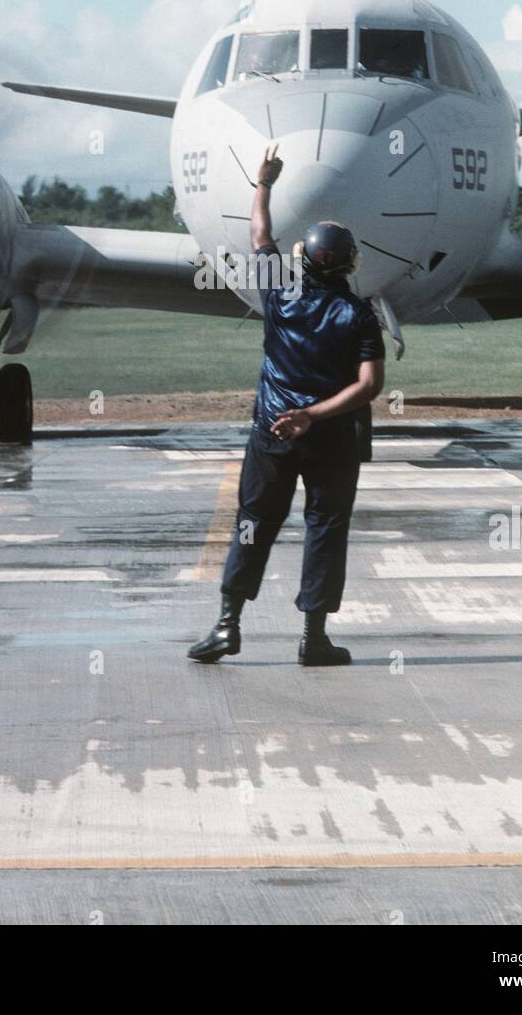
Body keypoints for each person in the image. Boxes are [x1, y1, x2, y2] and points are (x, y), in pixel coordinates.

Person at [188, 144, 386, 667]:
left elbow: (259, 235)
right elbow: (369, 386)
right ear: (348, 264)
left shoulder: (279, 294)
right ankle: (314, 638)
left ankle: (227, 626)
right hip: (333, 439)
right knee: (325, 529)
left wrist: (265, 184)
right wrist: (316, 415)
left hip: (273, 432)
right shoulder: (361, 317)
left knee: (253, 522)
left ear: (303, 260)